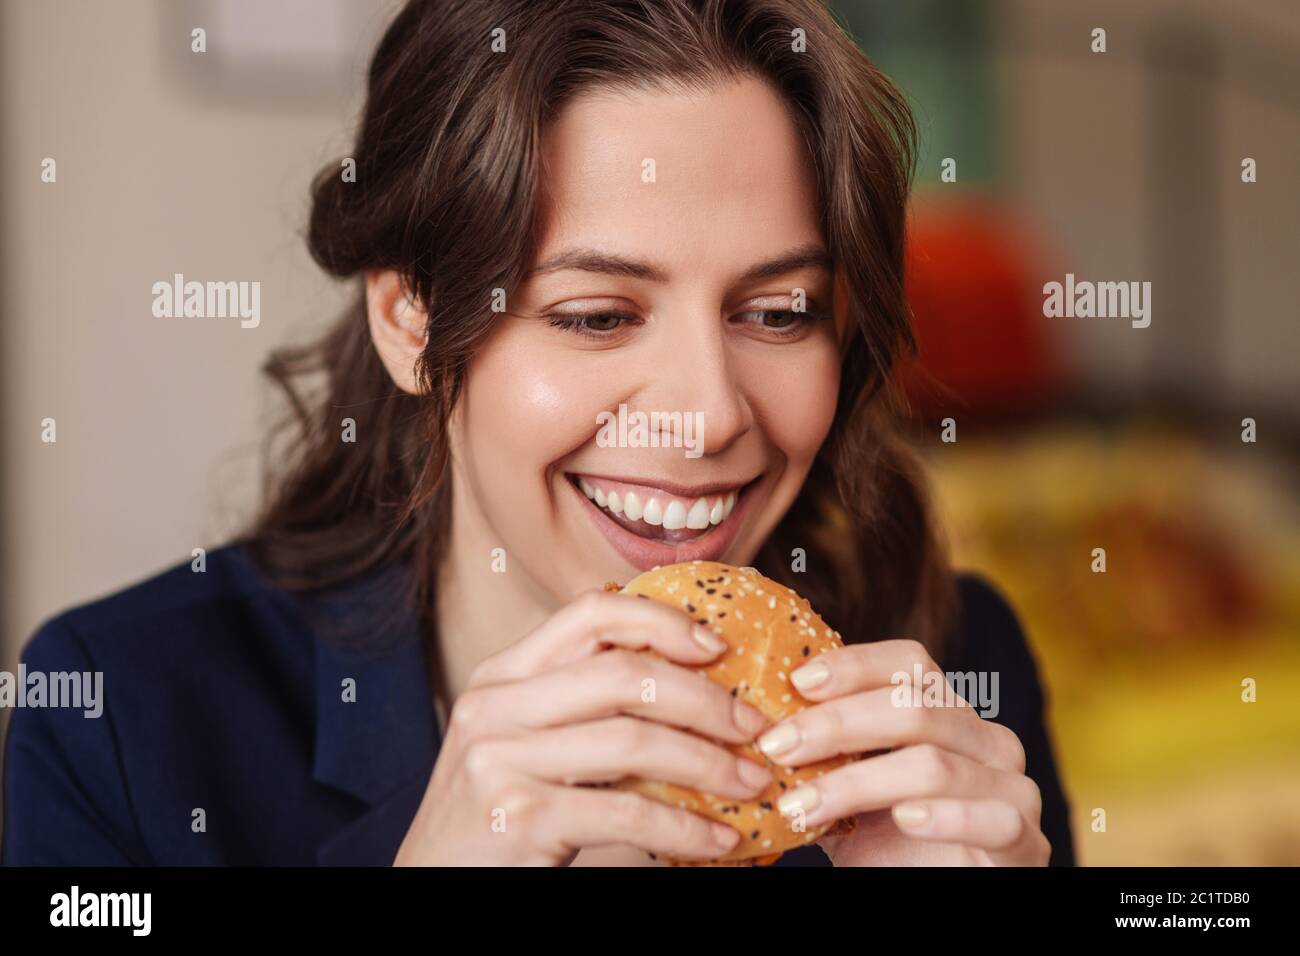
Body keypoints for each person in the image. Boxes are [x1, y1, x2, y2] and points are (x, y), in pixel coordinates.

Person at [2, 0, 1073, 867]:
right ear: (409, 319)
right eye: (596, 316)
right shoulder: (121, 723)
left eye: (778, 310)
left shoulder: (958, 667)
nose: (707, 415)